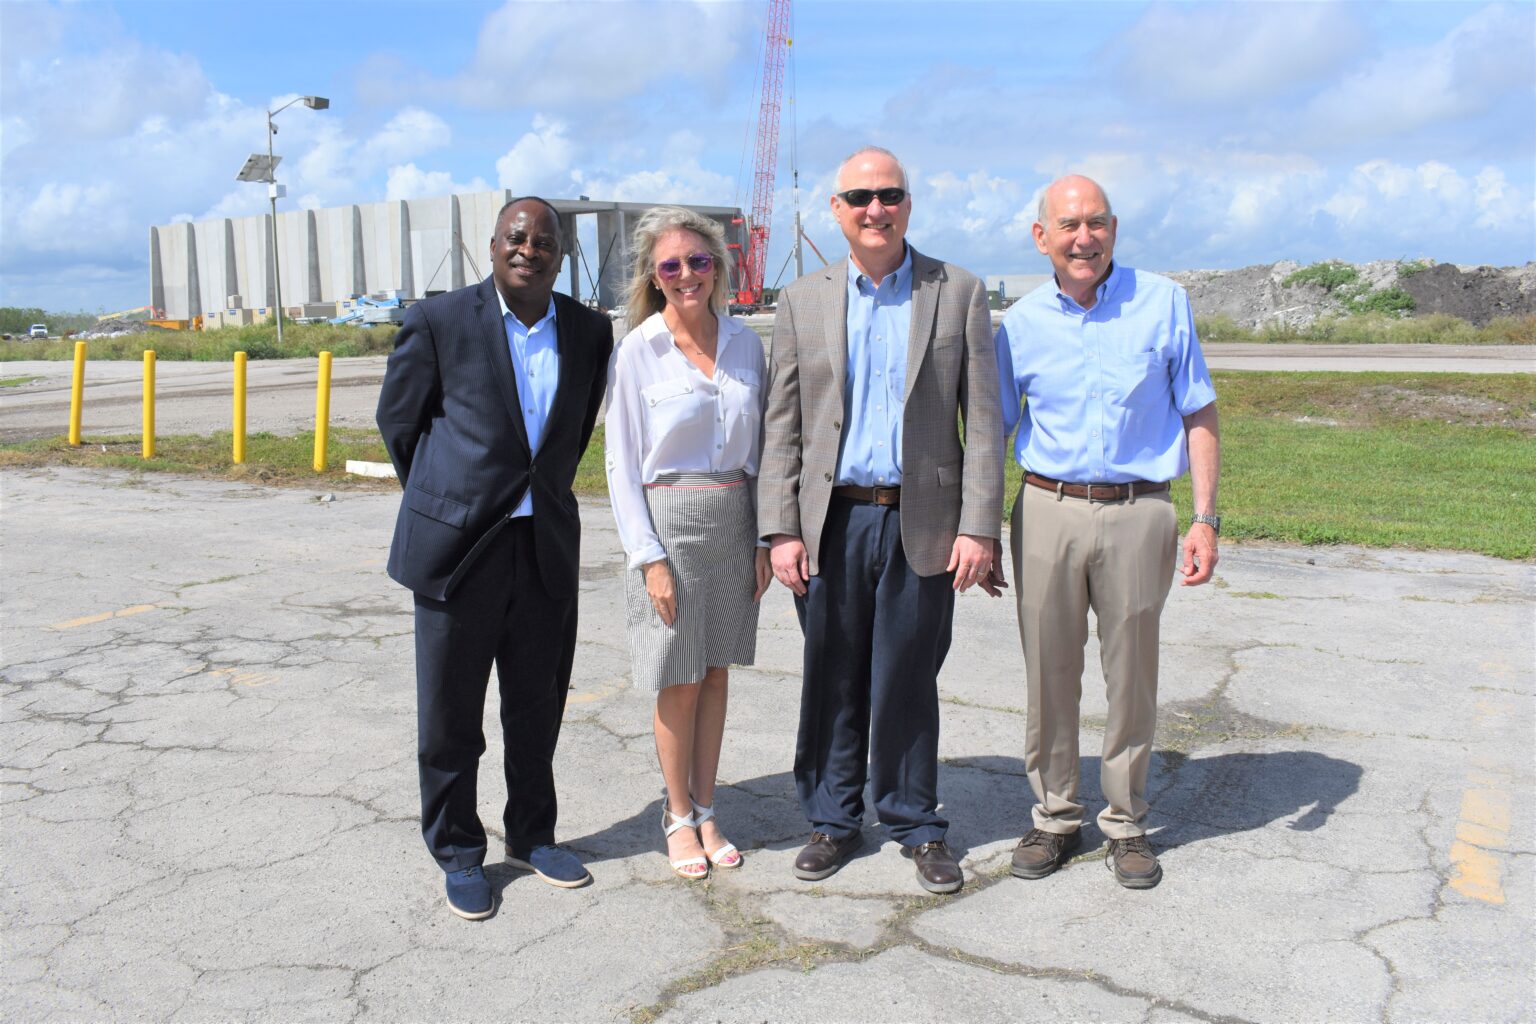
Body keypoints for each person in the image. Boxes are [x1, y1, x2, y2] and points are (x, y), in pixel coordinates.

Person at [757, 146, 1004, 894]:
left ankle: (915, 820)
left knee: (908, 677)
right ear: (836, 210)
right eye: (860, 197)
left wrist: (979, 527)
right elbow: (783, 425)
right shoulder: (802, 300)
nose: (876, 209)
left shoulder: (957, 291)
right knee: (832, 675)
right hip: (830, 521)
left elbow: (984, 422)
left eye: (889, 195)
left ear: (907, 204)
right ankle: (833, 819)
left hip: (921, 521)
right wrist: (781, 529)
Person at [376, 196, 614, 920]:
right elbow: (400, 424)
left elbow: (572, 434)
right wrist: (452, 495)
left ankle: (533, 835)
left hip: (543, 548)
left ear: (560, 256)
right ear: (493, 245)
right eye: (516, 237)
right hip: (458, 551)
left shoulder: (589, 331)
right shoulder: (439, 321)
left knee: (537, 706)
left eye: (543, 242)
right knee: (451, 715)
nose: (527, 250)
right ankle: (457, 850)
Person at [994, 174, 1221, 890]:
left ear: (1114, 230)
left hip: (1138, 511)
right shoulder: (1020, 324)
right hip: (1047, 508)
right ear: (1042, 237)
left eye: (1096, 223)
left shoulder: (1163, 302)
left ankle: (1126, 822)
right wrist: (977, 529)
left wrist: (1206, 518)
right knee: (1050, 672)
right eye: (1068, 225)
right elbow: (993, 430)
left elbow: (1199, 411)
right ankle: (1056, 816)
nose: (1083, 238)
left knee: (1132, 676)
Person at [603, 206, 771, 880]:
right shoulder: (637, 351)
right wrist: (648, 558)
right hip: (669, 524)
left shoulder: (747, 345)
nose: (685, 275)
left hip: (734, 518)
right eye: (670, 265)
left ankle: (707, 809)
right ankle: (676, 816)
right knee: (678, 677)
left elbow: (763, 449)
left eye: (698, 261)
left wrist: (763, 539)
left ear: (718, 268)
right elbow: (620, 462)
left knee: (716, 671)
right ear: (654, 275)